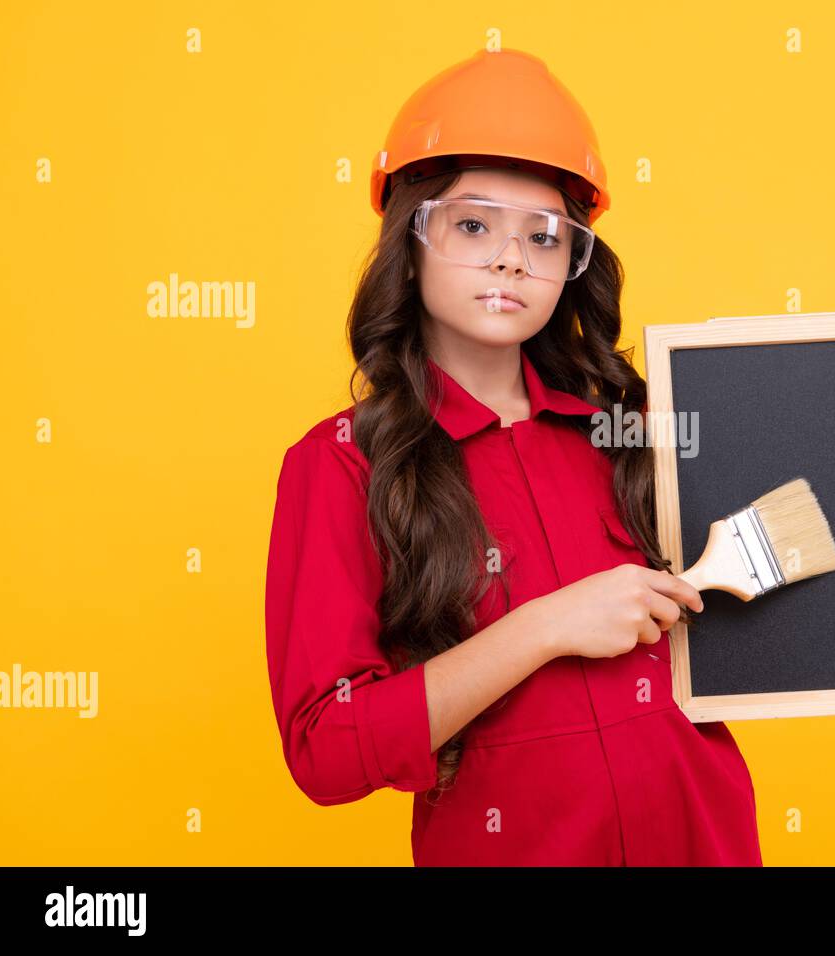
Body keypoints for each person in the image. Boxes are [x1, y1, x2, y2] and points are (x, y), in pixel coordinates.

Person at [264, 48, 762, 866]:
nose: (511, 259)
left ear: (575, 265)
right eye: (472, 225)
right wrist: (543, 627)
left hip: (706, 839)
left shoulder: (637, 425)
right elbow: (325, 750)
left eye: (544, 236)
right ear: (410, 239)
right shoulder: (343, 464)